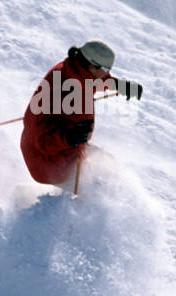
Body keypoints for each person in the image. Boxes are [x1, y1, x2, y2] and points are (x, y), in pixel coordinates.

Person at [20, 40, 141, 188]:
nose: (107, 73)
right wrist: (70, 139)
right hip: (49, 163)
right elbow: (42, 140)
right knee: (99, 187)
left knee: (109, 164)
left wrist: (119, 85)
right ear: (92, 65)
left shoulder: (77, 69)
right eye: (105, 69)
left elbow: (96, 81)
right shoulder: (62, 88)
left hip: (68, 150)